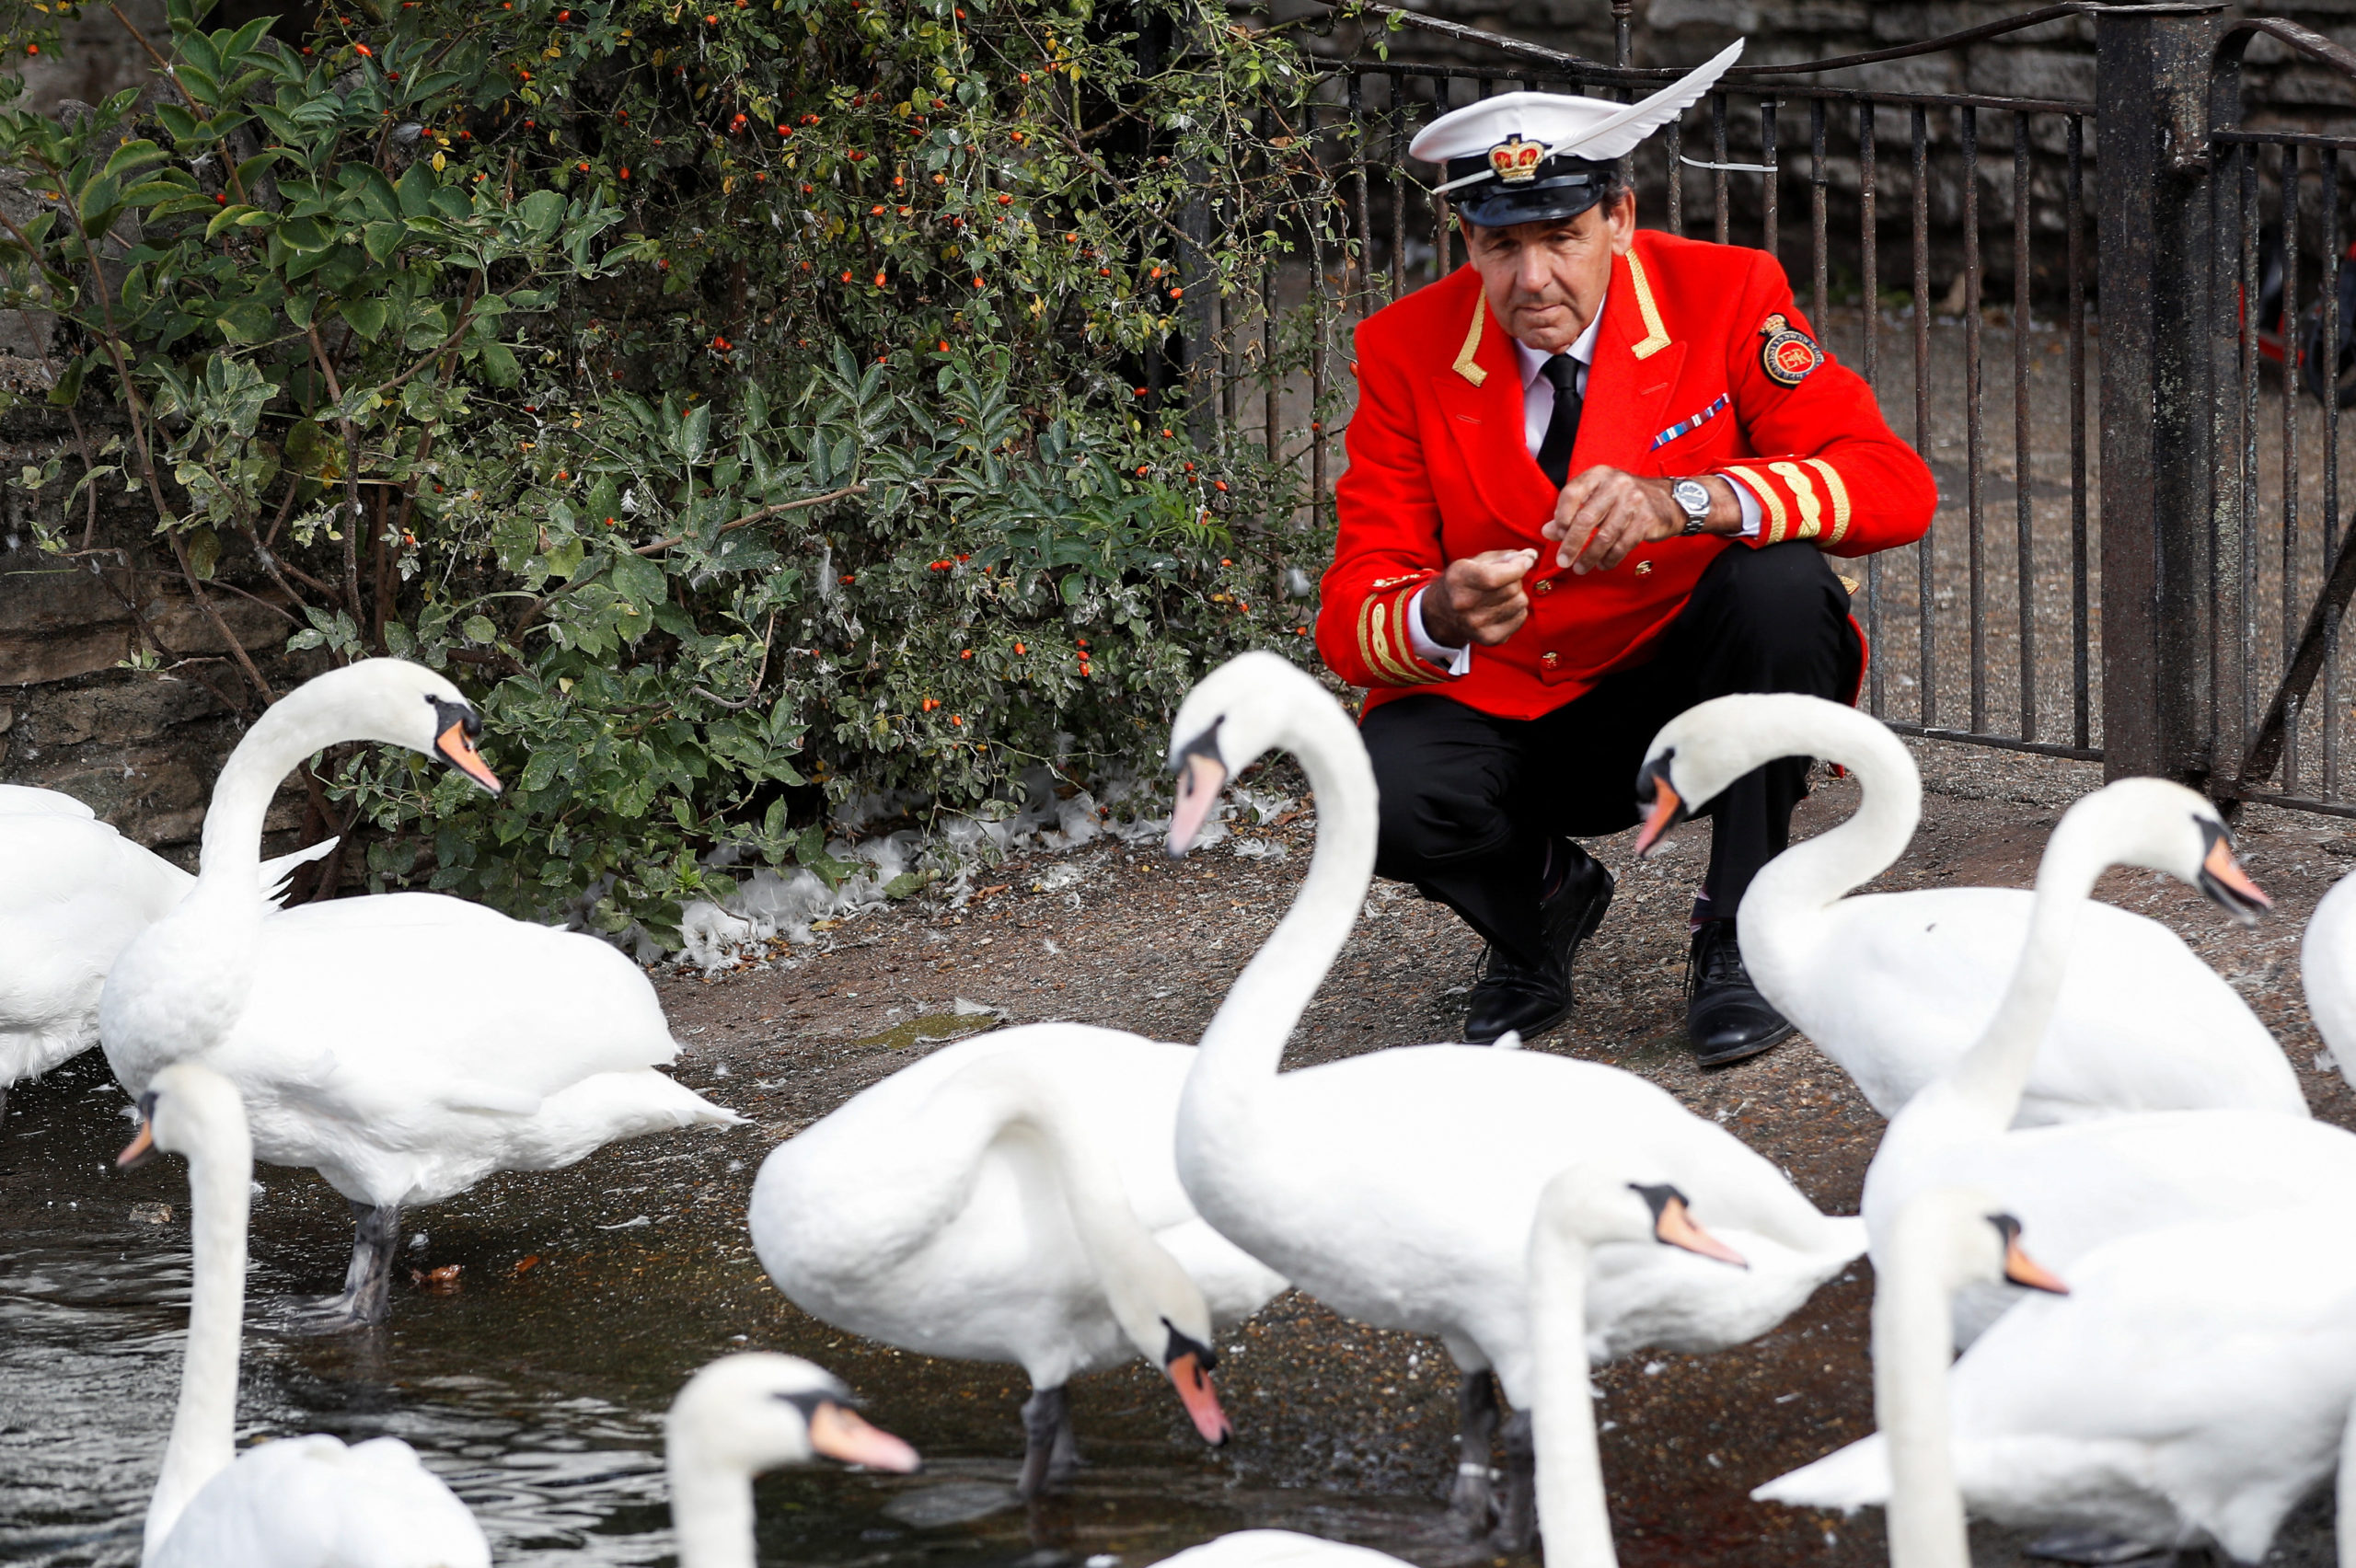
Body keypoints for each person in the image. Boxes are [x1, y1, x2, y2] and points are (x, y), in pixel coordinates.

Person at [1316, 43, 1936, 1063]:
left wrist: (1693, 500)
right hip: (1520, 706)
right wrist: (1438, 610)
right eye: (1500, 245)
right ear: (1464, 238)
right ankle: (1539, 910)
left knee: (1780, 587)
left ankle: (1743, 932)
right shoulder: (1404, 349)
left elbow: (1892, 484)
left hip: (1689, 689)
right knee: (1371, 790)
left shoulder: (1725, 293)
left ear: (1620, 218)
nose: (1532, 279)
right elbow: (1351, 607)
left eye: (1562, 236)